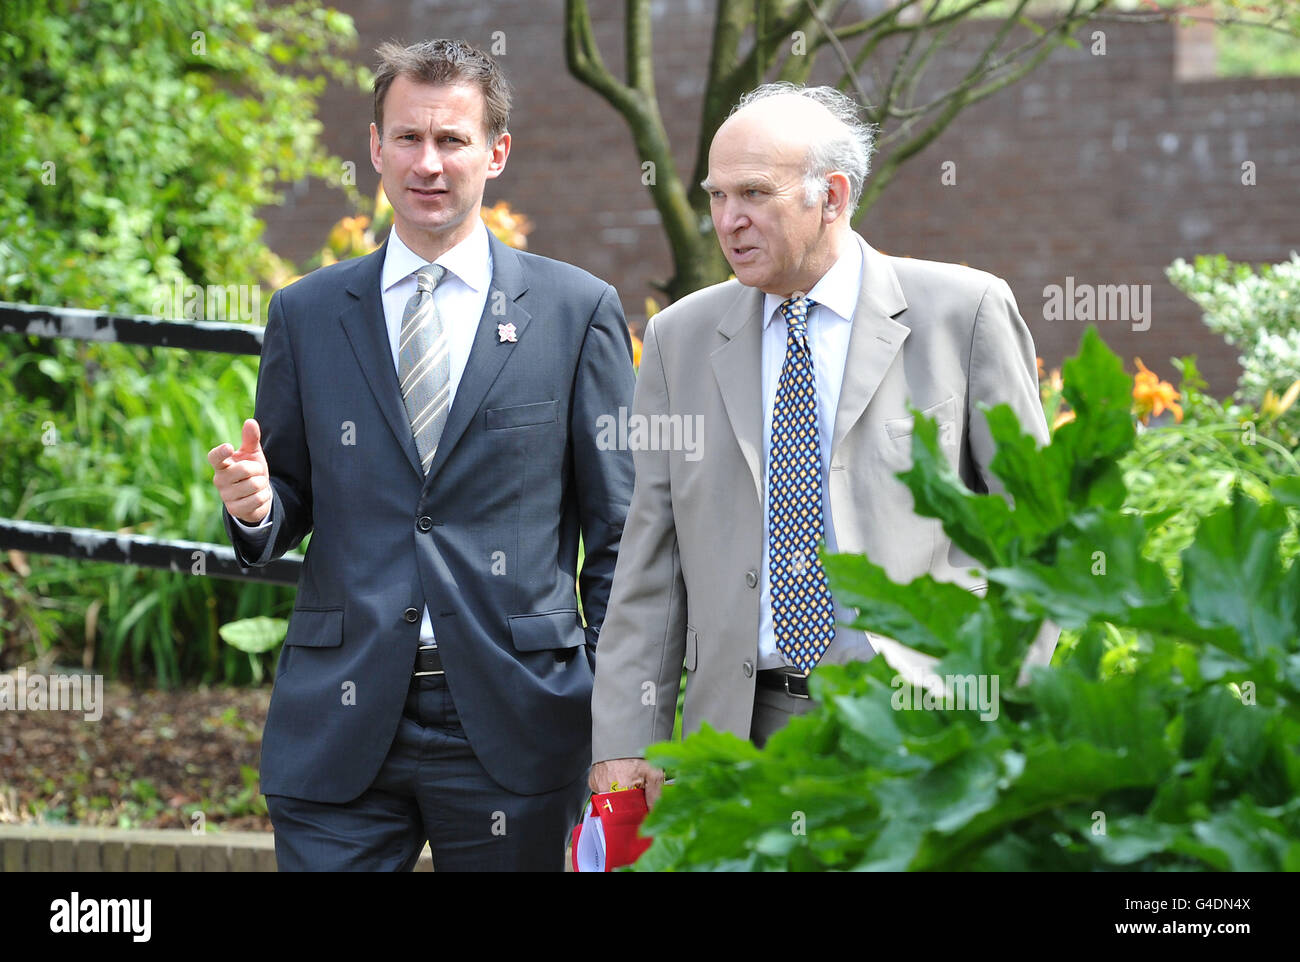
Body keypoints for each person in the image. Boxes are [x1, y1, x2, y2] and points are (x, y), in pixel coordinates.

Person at [208, 39, 635, 870]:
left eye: (453, 140)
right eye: (407, 138)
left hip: (520, 719)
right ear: (374, 147)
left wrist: (612, 722)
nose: (428, 163)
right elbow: (288, 491)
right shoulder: (307, 312)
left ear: (497, 152)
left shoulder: (576, 311)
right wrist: (258, 507)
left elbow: (619, 538)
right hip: (341, 718)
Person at [589, 83, 1057, 804]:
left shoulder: (963, 314)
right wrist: (625, 742)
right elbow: (652, 556)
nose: (728, 220)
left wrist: (1000, 709)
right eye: (716, 196)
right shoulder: (680, 339)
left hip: (920, 723)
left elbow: (1039, 535)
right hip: (739, 736)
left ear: (832, 195)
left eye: (753, 193)